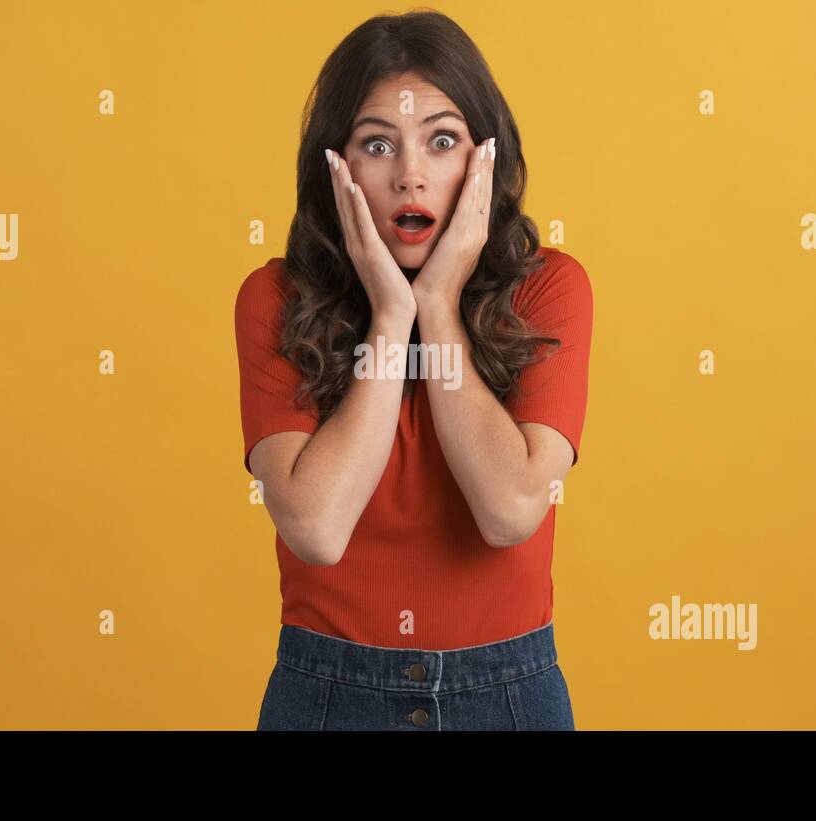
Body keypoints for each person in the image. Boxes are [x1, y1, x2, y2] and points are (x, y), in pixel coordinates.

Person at [234, 10, 592, 730]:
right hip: (328, 697)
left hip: (508, 696)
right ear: (335, 168)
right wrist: (394, 320)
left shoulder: (552, 289)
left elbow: (510, 509)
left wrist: (439, 305)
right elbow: (318, 526)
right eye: (376, 144)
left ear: (484, 160)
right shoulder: (274, 299)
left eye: (442, 140)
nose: (410, 175)